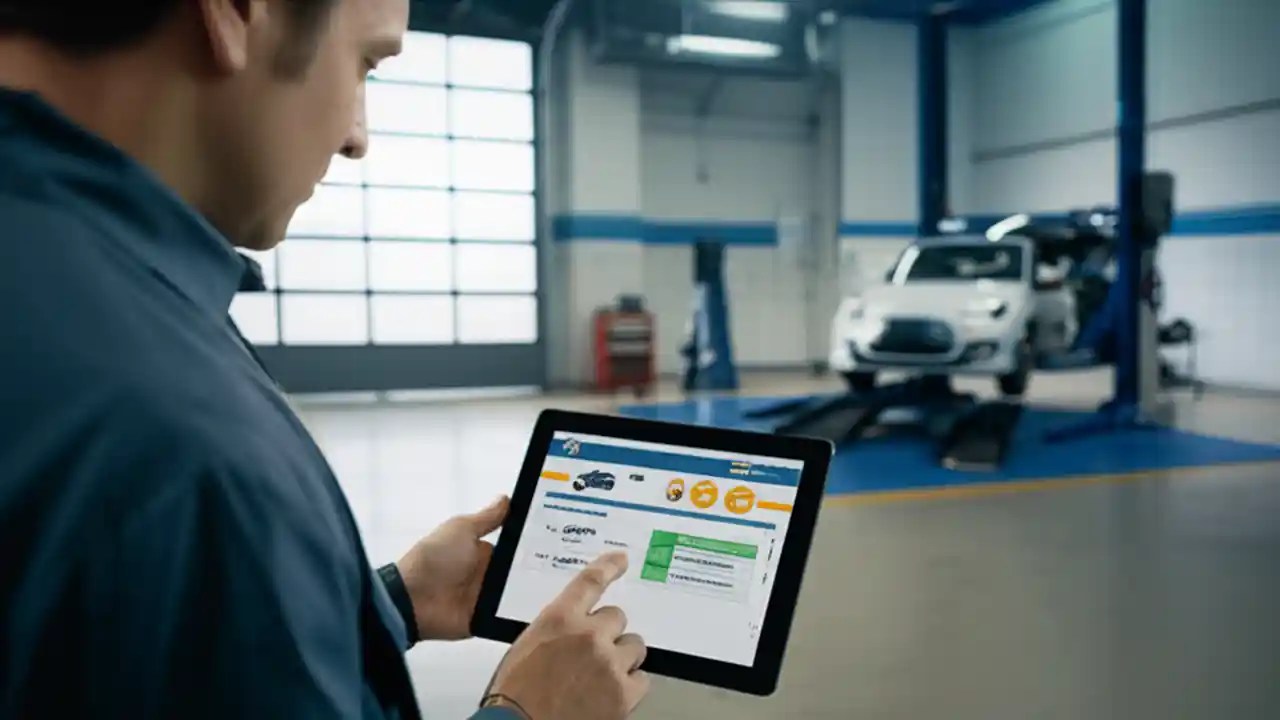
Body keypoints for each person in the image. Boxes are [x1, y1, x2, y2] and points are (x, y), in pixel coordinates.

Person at [0, 0, 650, 718]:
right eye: (366, 62)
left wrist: (389, 602)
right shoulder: (185, 440)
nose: (355, 136)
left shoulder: (66, 286)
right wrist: (526, 713)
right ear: (235, 13)